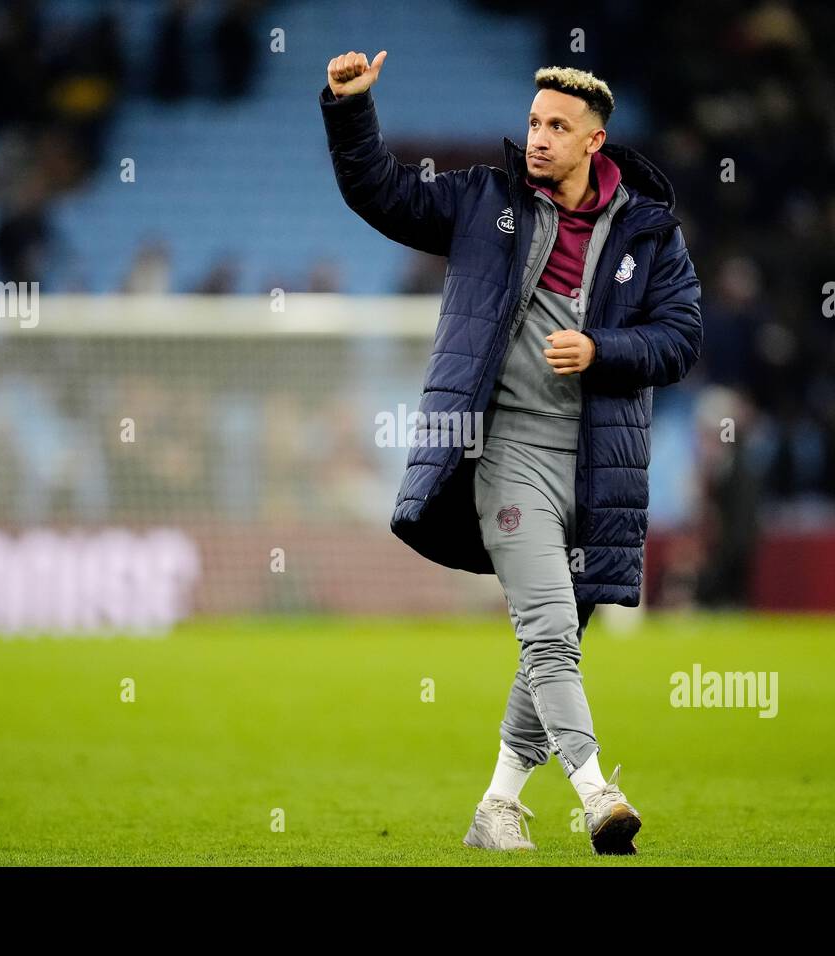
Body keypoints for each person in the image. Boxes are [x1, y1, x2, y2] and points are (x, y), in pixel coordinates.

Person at [320, 51, 702, 854]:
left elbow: (681, 340)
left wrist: (603, 350)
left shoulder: (650, 234)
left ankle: (496, 807)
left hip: (601, 465)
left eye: (557, 127)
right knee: (551, 631)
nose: (537, 137)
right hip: (508, 457)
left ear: (595, 141)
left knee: (549, 644)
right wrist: (350, 109)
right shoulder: (482, 202)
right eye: (533, 122)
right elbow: (380, 193)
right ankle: (598, 795)